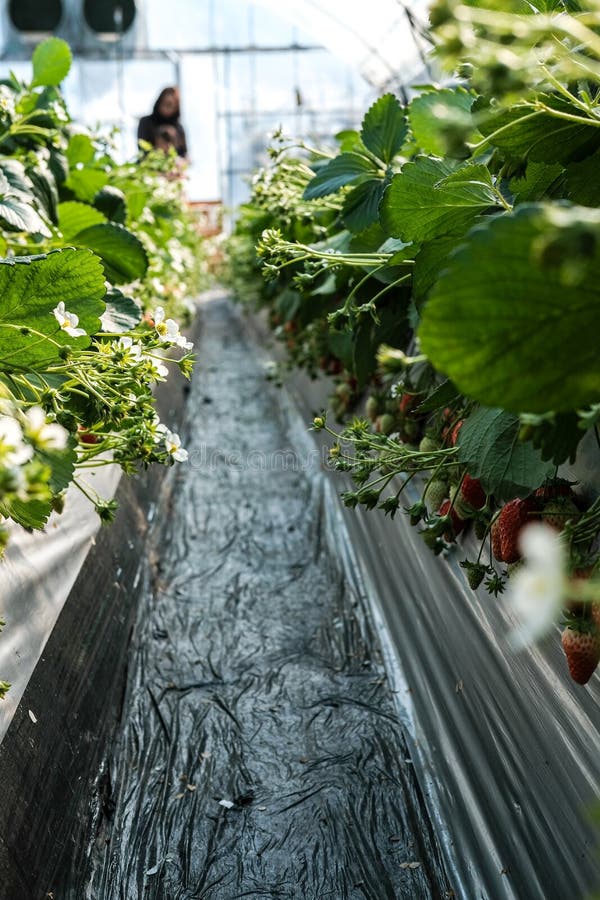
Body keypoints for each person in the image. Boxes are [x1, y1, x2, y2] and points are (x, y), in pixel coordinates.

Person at [137, 87, 188, 159]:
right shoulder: (146, 122)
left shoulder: (178, 128)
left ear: (176, 107)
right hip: (149, 163)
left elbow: (184, 154)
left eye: (170, 105)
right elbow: (142, 149)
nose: (166, 108)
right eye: (164, 103)